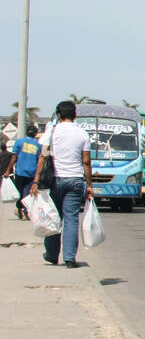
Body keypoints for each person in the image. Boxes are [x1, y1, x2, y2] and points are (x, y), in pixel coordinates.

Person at [33, 101, 92, 268]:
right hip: (75, 180)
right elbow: (86, 161)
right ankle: (69, 258)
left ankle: (52, 255)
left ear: (58, 115)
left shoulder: (51, 132)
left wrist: (36, 180)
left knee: (53, 217)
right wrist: (89, 185)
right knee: (71, 219)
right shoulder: (82, 134)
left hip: (54, 181)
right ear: (75, 115)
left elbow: (43, 157)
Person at [4, 125, 43, 219]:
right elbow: (40, 161)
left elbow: (14, 157)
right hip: (32, 172)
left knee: (19, 192)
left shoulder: (19, 142)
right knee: (28, 192)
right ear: (35, 134)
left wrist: (8, 170)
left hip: (20, 172)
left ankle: (20, 209)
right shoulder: (38, 145)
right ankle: (26, 209)